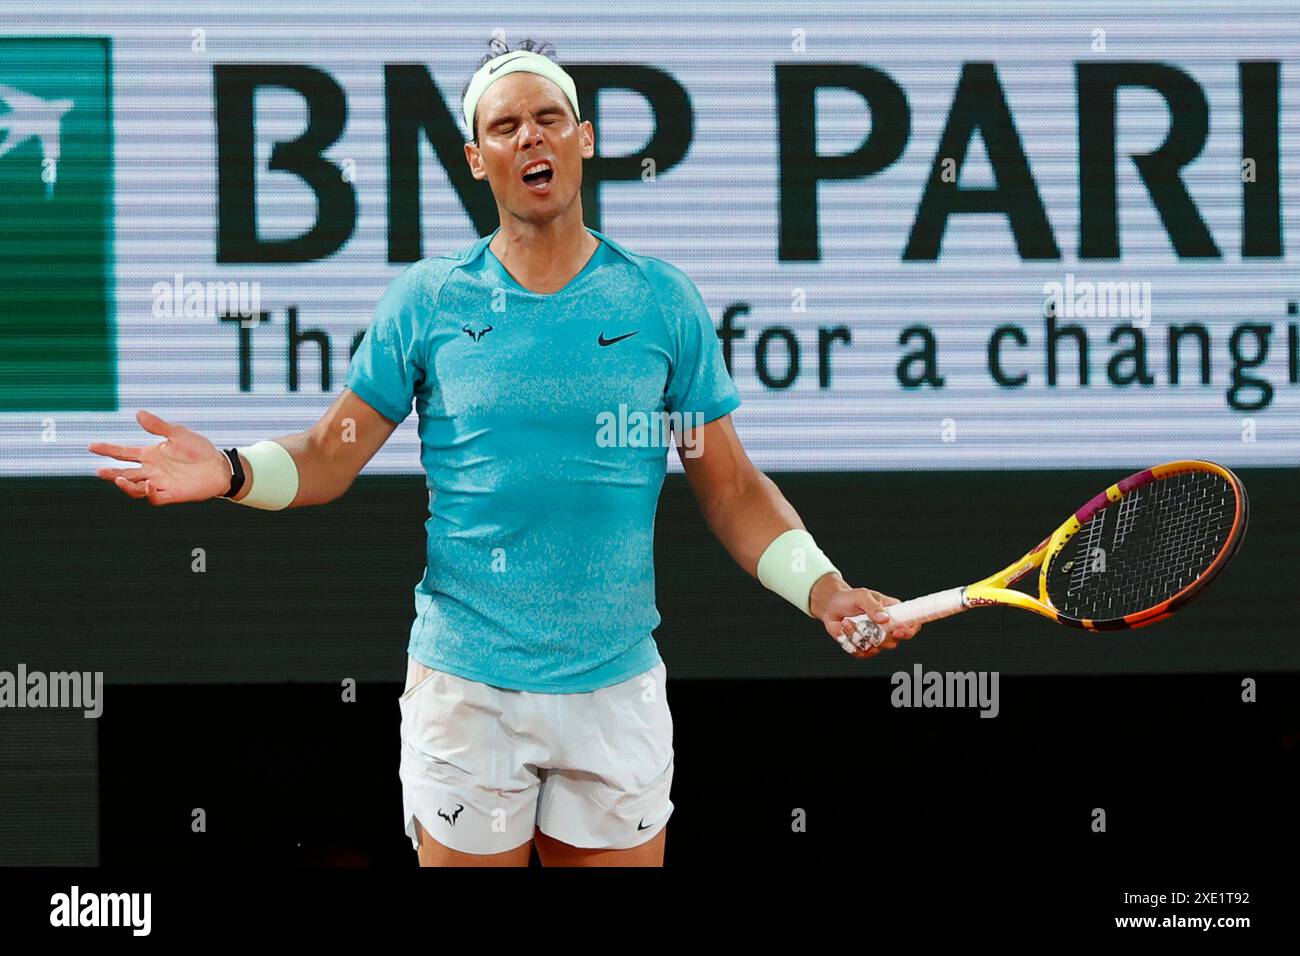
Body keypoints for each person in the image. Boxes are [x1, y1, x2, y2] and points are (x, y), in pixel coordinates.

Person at [87, 36, 921, 868]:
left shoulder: (663, 303)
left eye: (550, 119)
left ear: (584, 139)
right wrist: (230, 470)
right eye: (507, 126)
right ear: (476, 158)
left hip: (615, 687)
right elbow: (329, 454)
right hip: (466, 685)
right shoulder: (429, 300)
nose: (531, 138)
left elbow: (732, 488)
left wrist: (825, 590)